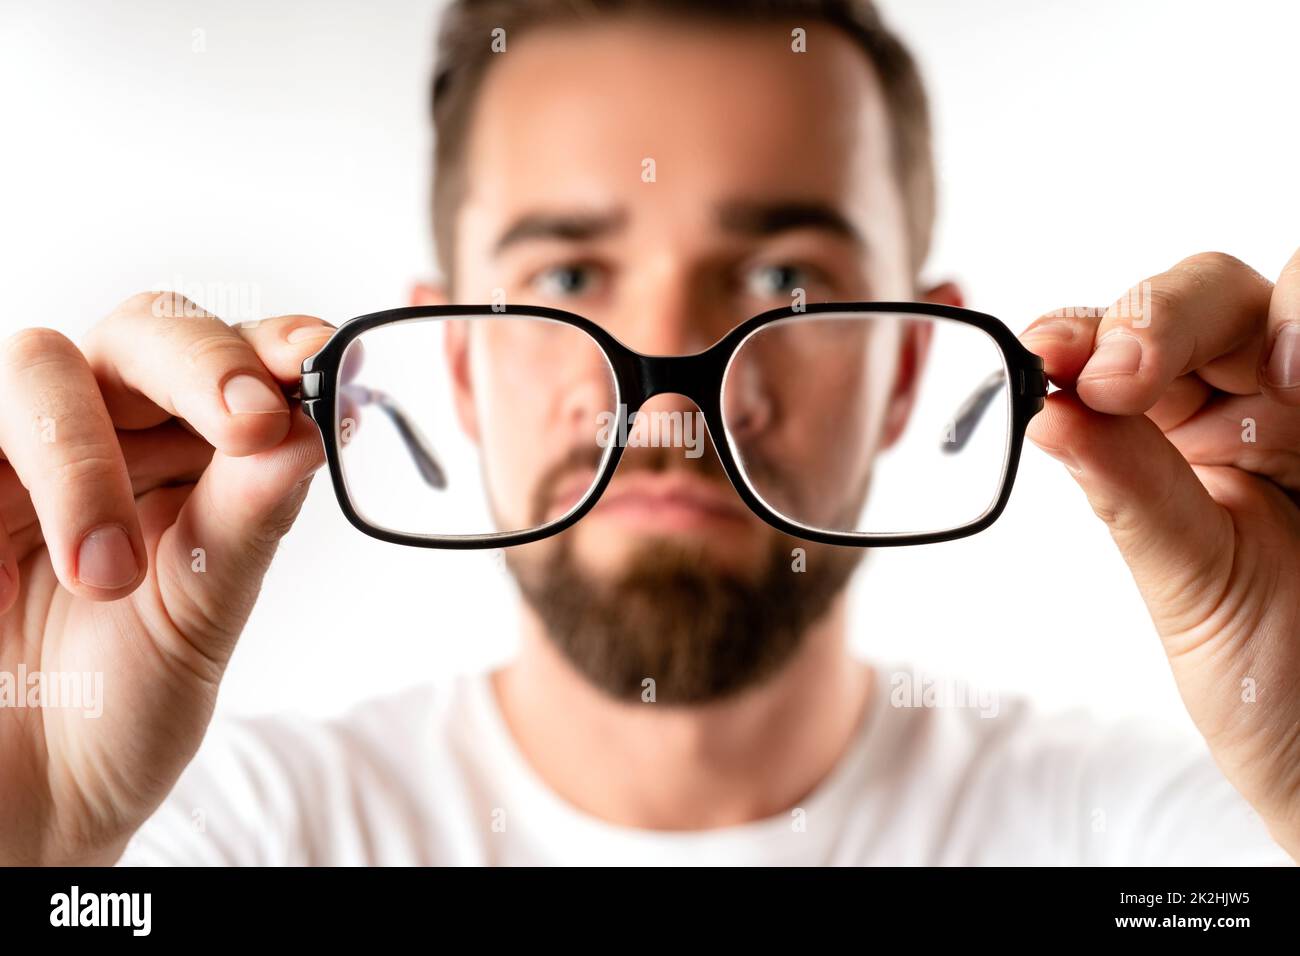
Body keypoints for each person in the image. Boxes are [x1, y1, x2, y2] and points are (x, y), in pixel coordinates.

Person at [1, 0, 1296, 866]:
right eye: (565, 280)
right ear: (448, 356)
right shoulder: (218, 842)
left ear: (913, 359)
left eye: (785, 279)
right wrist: (34, 825)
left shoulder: (1168, 845)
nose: (671, 406)